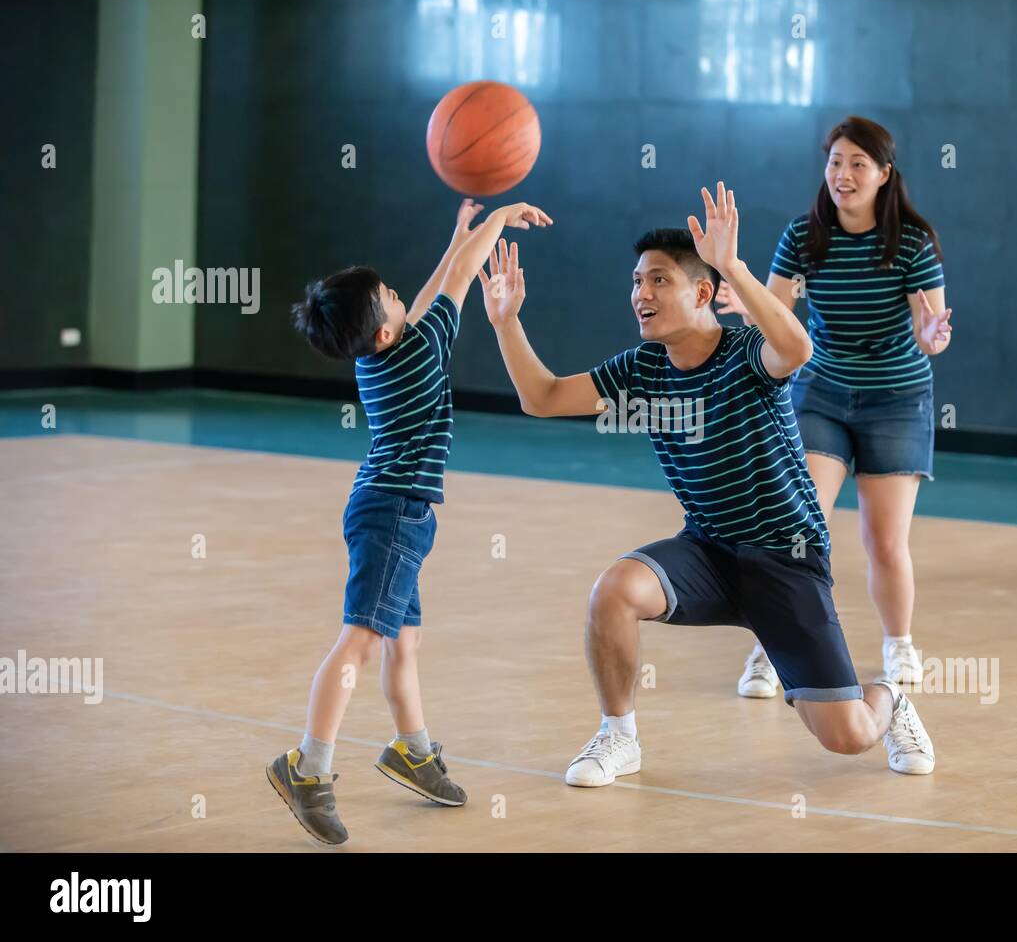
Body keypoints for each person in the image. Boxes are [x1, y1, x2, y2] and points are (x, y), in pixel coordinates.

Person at [479, 182, 935, 788]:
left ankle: (890, 701)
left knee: (847, 737)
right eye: (637, 282)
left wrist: (733, 266)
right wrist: (506, 323)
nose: (641, 293)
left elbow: (796, 348)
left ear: (701, 292)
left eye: (658, 280)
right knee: (614, 590)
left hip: (785, 560)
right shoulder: (641, 368)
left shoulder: (745, 350)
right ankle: (619, 739)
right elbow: (541, 397)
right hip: (708, 550)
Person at [266, 198, 552, 844]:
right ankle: (307, 767)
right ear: (387, 329)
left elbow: (424, 302)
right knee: (362, 642)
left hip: (394, 511)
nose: (402, 295)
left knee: (406, 641)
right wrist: (495, 223)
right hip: (394, 516)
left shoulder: (382, 355)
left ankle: (411, 751)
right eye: (390, 295)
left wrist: (457, 239)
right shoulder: (418, 354)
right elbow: (451, 287)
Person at [714, 117, 952, 701]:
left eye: (857, 165)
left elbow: (929, 331)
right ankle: (775, 648)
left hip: (897, 397)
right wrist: (740, 297)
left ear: (883, 175)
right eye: (835, 162)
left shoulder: (912, 243)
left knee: (884, 539)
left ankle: (899, 644)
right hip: (820, 390)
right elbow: (777, 315)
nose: (842, 175)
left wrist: (932, 333)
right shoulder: (804, 236)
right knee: (799, 527)